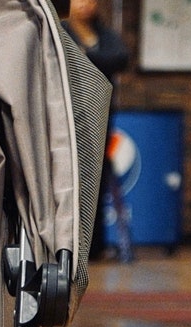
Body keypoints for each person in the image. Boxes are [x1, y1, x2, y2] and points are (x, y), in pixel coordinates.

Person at [64, 0, 133, 262]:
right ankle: (67, 245)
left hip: (100, 115)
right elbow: (64, 59)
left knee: (96, 180)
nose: (85, 5)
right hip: (68, 114)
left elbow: (120, 58)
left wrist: (86, 54)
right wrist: (89, 57)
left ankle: (95, 246)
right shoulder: (61, 31)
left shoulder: (104, 33)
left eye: (91, 0)